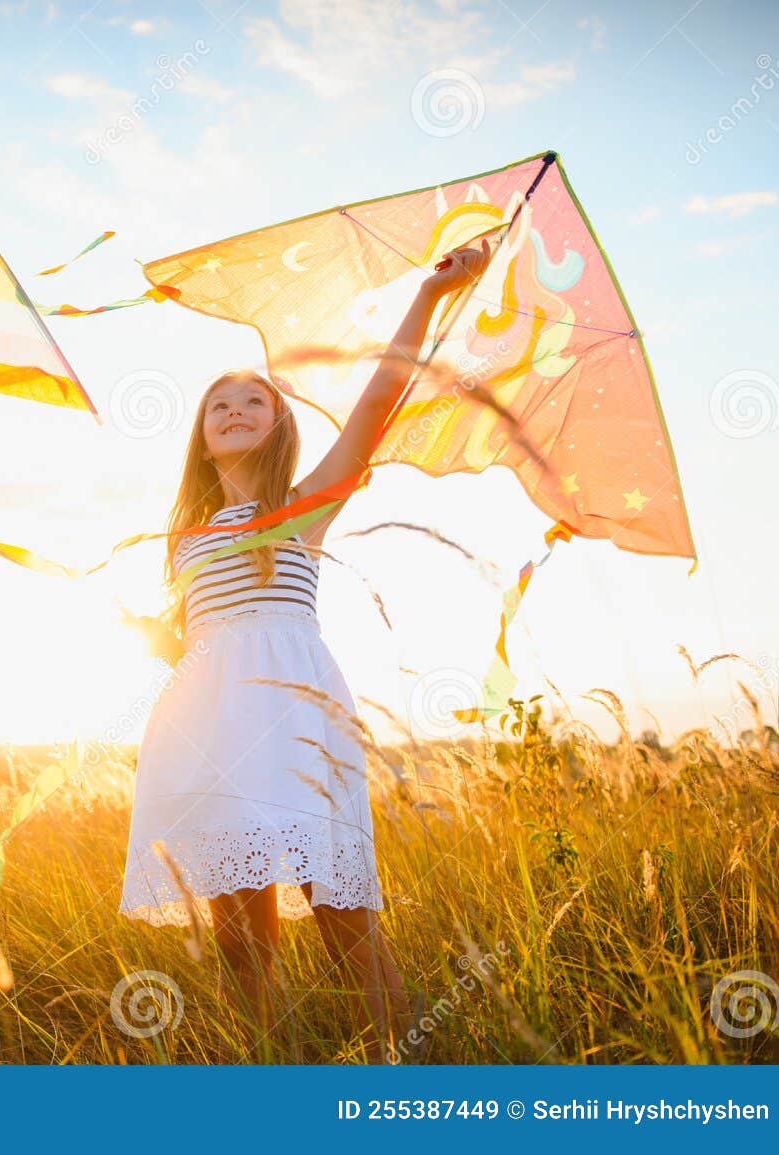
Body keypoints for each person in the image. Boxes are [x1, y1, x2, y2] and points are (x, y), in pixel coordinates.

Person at [119, 241, 491, 1062]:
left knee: (341, 905)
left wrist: (429, 296)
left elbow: (374, 409)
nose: (238, 409)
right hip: (207, 722)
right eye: (221, 406)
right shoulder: (183, 535)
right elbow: (194, 636)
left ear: (281, 425)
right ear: (202, 440)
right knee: (238, 927)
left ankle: (400, 1066)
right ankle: (260, 1073)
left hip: (295, 712)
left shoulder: (303, 508)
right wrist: (150, 636)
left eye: (256, 400)